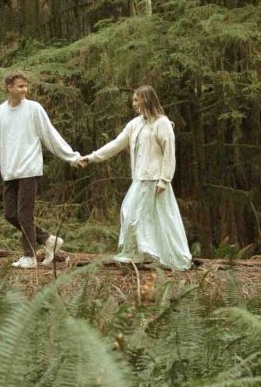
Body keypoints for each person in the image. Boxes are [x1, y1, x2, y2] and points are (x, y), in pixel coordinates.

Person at [73, 85, 192, 271]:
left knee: (148, 216)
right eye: (133, 100)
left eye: (137, 99)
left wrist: (164, 180)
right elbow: (116, 144)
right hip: (140, 178)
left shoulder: (162, 123)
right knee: (134, 215)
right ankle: (141, 255)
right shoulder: (135, 124)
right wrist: (92, 157)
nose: (134, 103)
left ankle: (159, 256)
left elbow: (170, 153)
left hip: (154, 179)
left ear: (147, 99)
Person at [0, 70, 78, 268]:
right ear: (9, 88)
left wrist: (72, 157)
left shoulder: (34, 109)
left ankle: (30, 256)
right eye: (20, 86)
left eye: (26, 86)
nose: (24, 90)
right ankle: (48, 240)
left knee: (25, 214)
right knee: (10, 214)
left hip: (29, 169)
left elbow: (50, 135)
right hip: (10, 171)